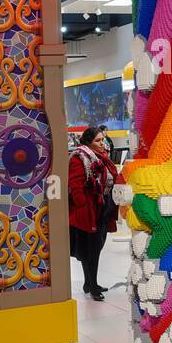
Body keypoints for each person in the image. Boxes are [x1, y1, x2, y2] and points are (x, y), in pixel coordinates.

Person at [68, 125, 119, 300]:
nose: (102, 143)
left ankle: (89, 282)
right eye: (98, 140)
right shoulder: (80, 157)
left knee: (94, 247)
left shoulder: (102, 157)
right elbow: (75, 186)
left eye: (102, 139)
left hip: (101, 207)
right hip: (88, 210)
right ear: (89, 142)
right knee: (91, 248)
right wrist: (83, 208)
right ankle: (92, 285)